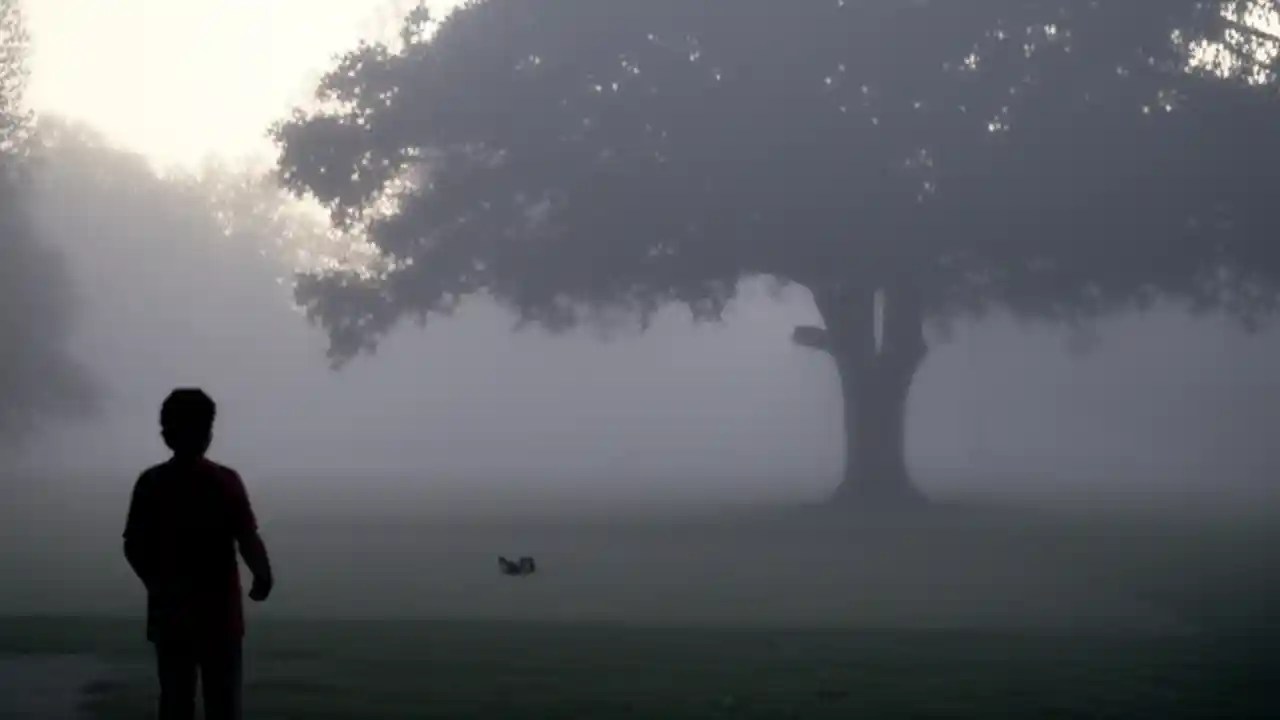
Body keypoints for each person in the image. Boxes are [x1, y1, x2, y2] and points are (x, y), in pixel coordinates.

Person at [123, 388, 274, 720]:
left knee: (175, 701)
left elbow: (133, 545)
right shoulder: (226, 481)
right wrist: (262, 575)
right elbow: (247, 537)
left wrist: (157, 585)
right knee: (223, 704)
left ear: (166, 434)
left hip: (170, 616)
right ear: (208, 434)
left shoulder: (151, 483)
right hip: (221, 616)